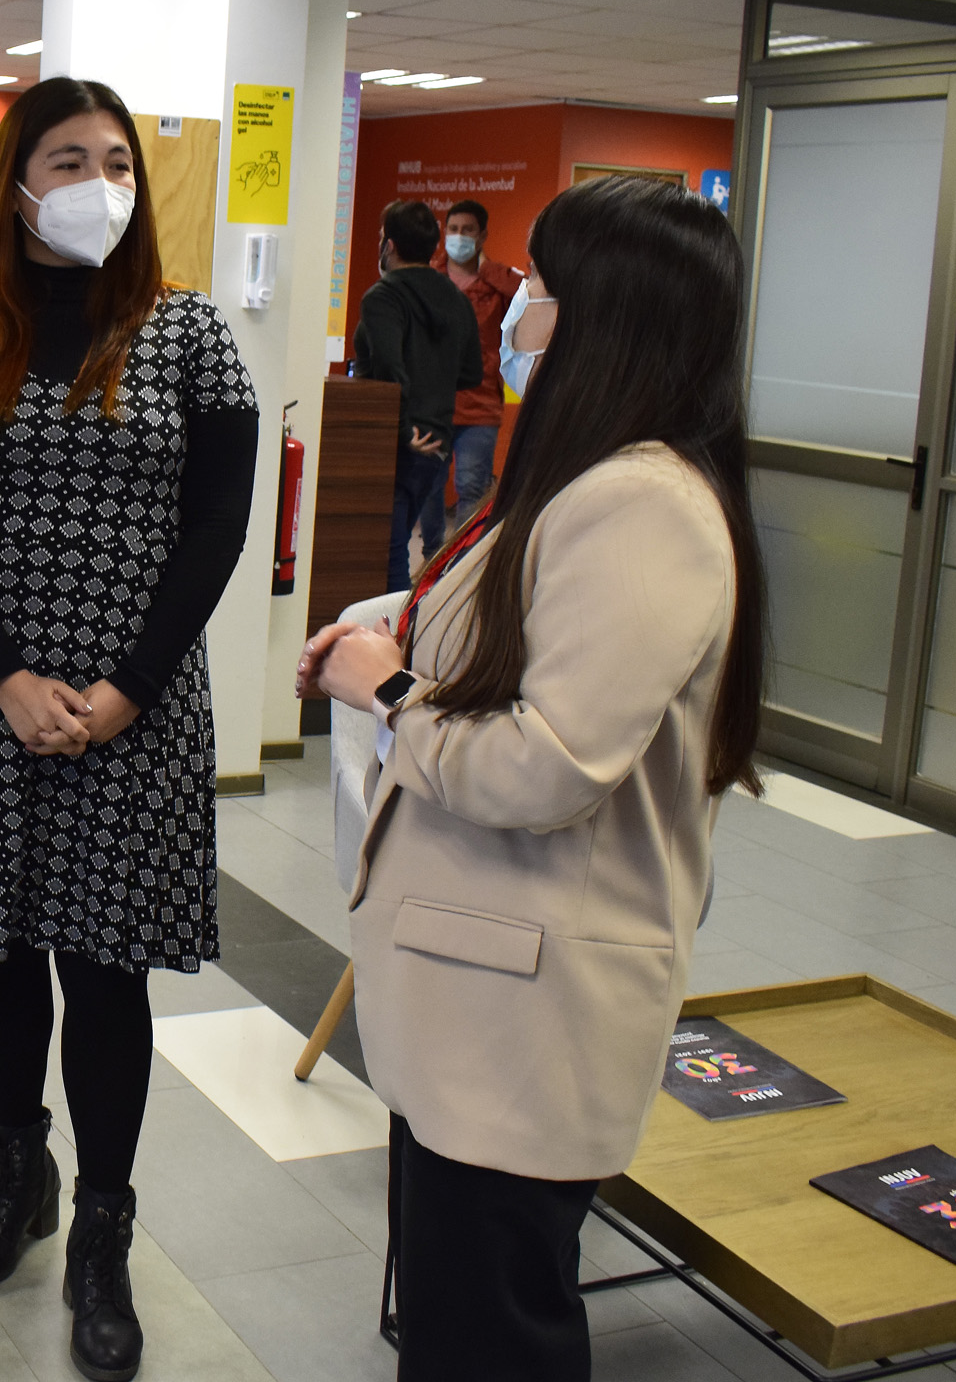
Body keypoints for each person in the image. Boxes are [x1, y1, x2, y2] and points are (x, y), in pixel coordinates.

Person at [298, 175, 766, 1382]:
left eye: (543, 287)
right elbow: (518, 623)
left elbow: (543, 767)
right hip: (474, 993)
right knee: (455, 1311)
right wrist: (400, 624)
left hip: (526, 1008)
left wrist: (387, 690)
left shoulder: (643, 505)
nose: (518, 308)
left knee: (491, 1332)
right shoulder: (581, 477)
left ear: (605, 317)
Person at [0, 77, 258, 1382]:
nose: (98, 178)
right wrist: (5, 676)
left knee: (104, 965)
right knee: (1, 942)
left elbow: (214, 528)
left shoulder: (189, 335)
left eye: (115, 158)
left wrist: (126, 687)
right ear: (17, 183)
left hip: (130, 706)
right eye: (66, 156)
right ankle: (14, 1171)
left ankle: (101, 1229)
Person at [352, 199, 480, 591]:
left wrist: (405, 428)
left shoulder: (383, 297)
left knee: (386, 554)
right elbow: (470, 372)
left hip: (396, 443)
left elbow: (390, 369)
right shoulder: (457, 299)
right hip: (437, 440)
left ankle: (391, 641)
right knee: (397, 545)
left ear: (388, 245)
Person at [429, 198, 521, 528]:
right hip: (432, 403)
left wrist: (488, 270)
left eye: (467, 230)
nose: (459, 236)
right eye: (453, 229)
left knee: (471, 488)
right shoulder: (430, 278)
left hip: (480, 403)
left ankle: (460, 564)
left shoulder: (497, 281)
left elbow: (529, 296)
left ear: (482, 236)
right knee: (430, 487)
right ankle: (431, 559)